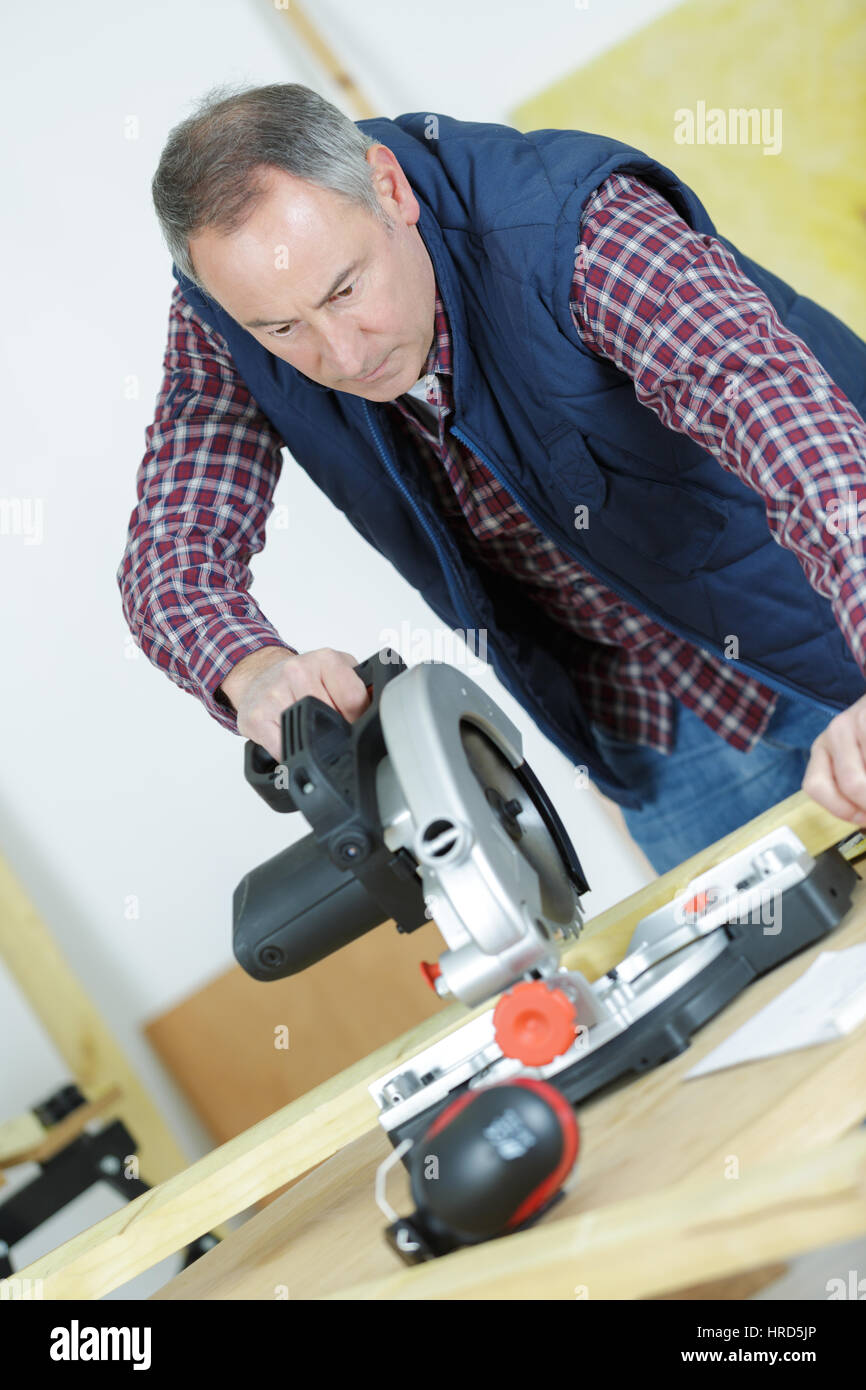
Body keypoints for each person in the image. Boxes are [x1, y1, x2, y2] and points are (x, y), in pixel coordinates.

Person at [117, 82, 866, 875]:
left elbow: (800, 441)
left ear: (388, 187)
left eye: (345, 290)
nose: (344, 355)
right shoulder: (224, 316)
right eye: (283, 328)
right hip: (650, 727)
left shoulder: (566, 223)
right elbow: (169, 555)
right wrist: (255, 671)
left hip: (826, 646)